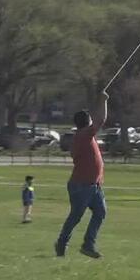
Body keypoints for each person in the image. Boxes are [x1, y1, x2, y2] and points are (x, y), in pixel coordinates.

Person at [55, 93, 108, 259]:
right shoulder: (84, 135)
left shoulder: (83, 136)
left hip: (93, 185)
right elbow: (102, 120)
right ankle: (62, 243)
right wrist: (104, 101)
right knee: (76, 216)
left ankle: (88, 245)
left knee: (100, 213)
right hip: (82, 185)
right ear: (87, 122)